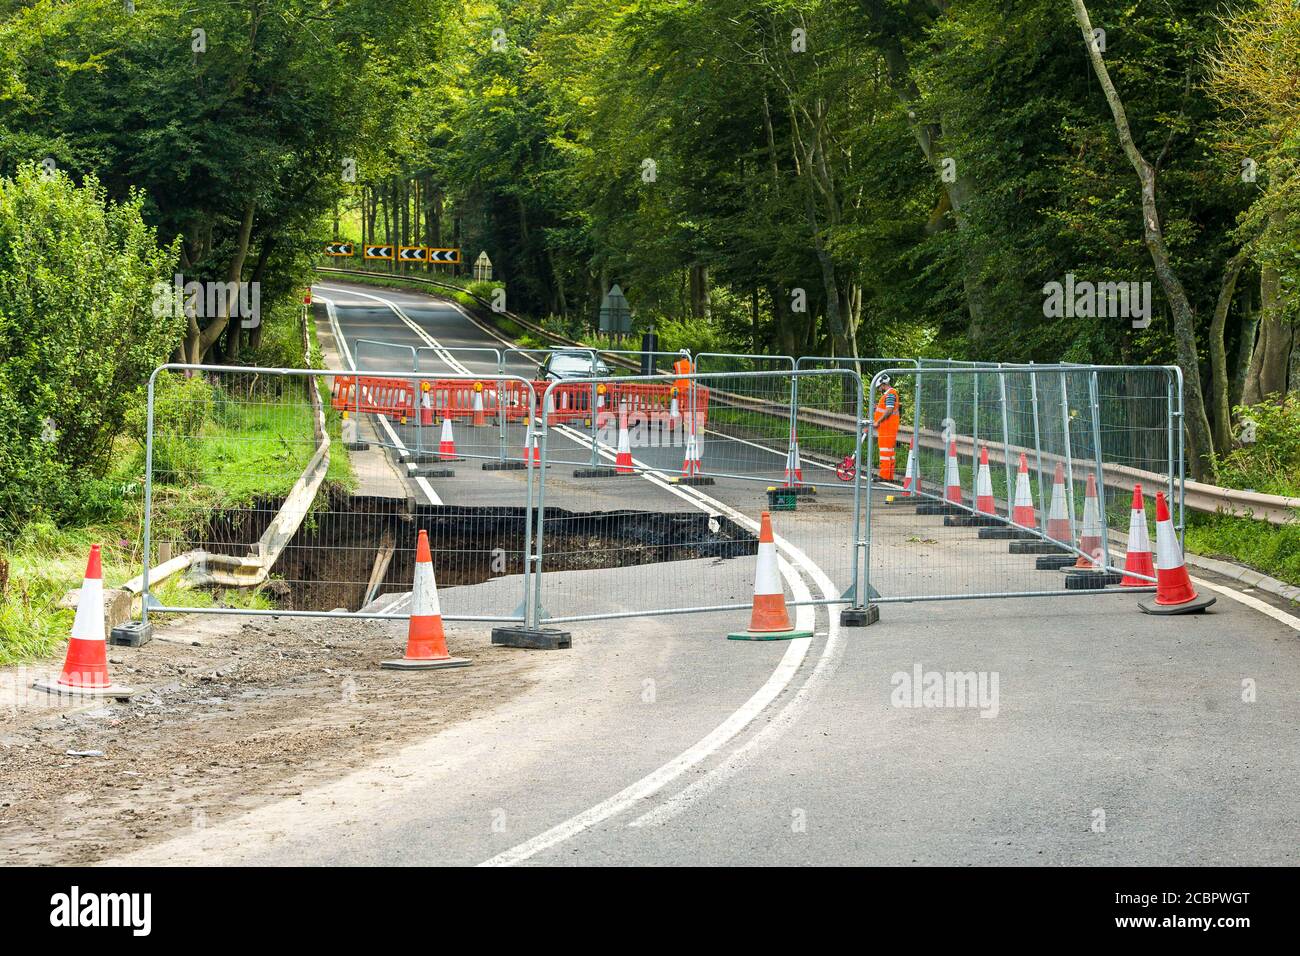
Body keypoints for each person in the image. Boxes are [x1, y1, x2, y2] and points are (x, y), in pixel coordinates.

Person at [872, 373, 900, 480]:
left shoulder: (890, 394)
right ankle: (889, 476)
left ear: (883, 384)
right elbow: (885, 408)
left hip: (887, 427)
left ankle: (884, 475)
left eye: (879, 387)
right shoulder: (889, 394)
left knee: (885, 452)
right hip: (887, 427)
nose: (879, 389)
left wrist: (878, 421)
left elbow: (888, 410)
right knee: (889, 452)